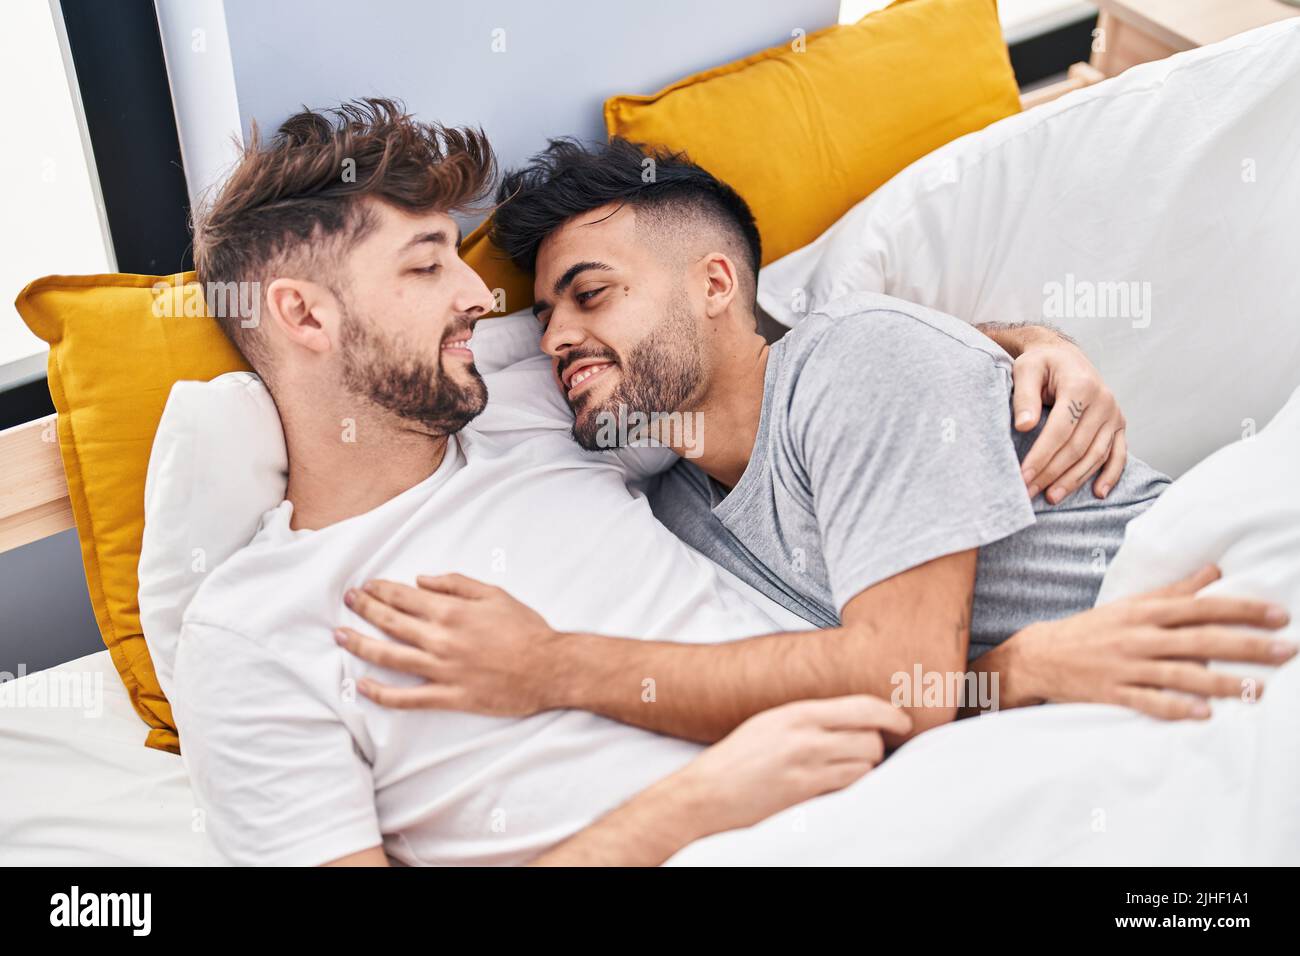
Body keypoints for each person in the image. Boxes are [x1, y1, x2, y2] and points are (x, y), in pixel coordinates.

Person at [343, 138, 1293, 742]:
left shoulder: (853, 359)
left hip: (1233, 594)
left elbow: (898, 683)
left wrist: (552, 667)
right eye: (546, 314)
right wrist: (1016, 675)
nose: (553, 339)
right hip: (1119, 702)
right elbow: (890, 692)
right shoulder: (677, 515)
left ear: (717, 287)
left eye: (590, 294)